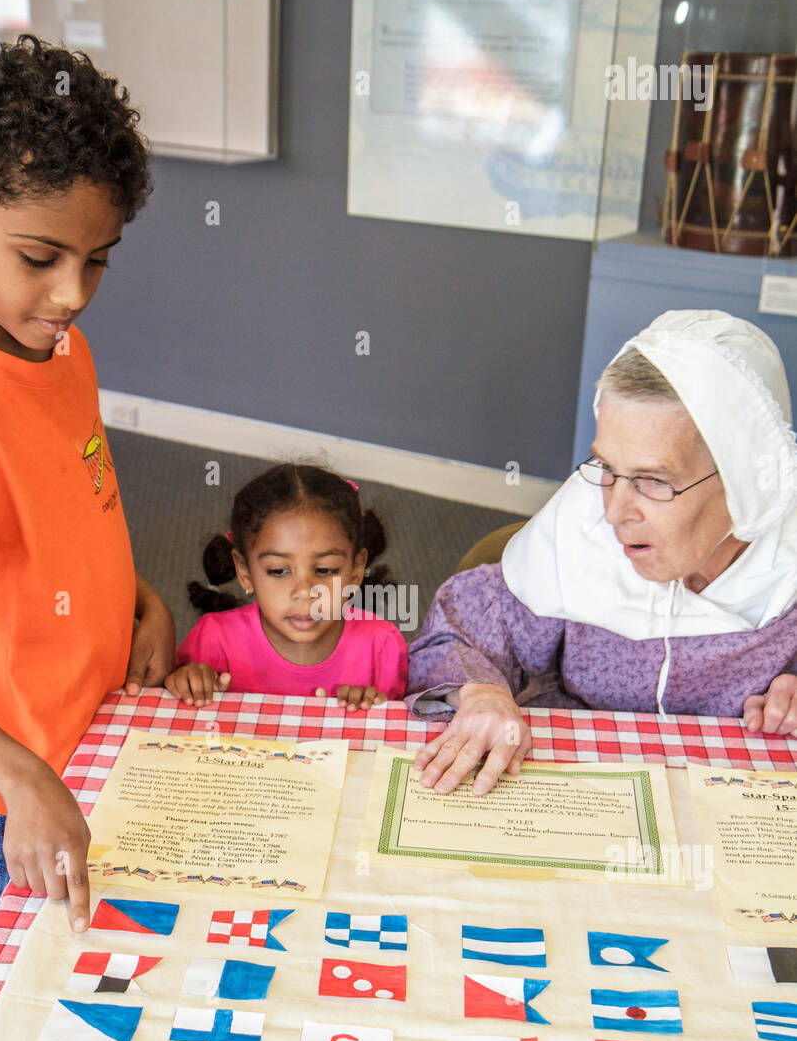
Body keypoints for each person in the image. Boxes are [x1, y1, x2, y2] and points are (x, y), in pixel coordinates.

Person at [0, 36, 176, 1007]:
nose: (71, 294)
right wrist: (21, 776)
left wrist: (135, 600)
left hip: (81, 738)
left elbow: (72, 510)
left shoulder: (59, 349)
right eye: (39, 258)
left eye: (97, 261)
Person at [407, 310, 797, 795]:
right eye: (607, 466)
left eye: (653, 480)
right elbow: (460, 630)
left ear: (745, 482)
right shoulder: (582, 528)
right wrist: (481, 692)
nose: (613, 512)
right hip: (574, 792)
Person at [165, 463, 408, 709]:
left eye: (325, 570)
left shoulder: (382, 648)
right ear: (245, 572)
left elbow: (399, 735)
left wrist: (369, 707)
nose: (304, 591)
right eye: (278, 571)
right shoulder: (212, 641)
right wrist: (188, 682)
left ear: (356, 570)